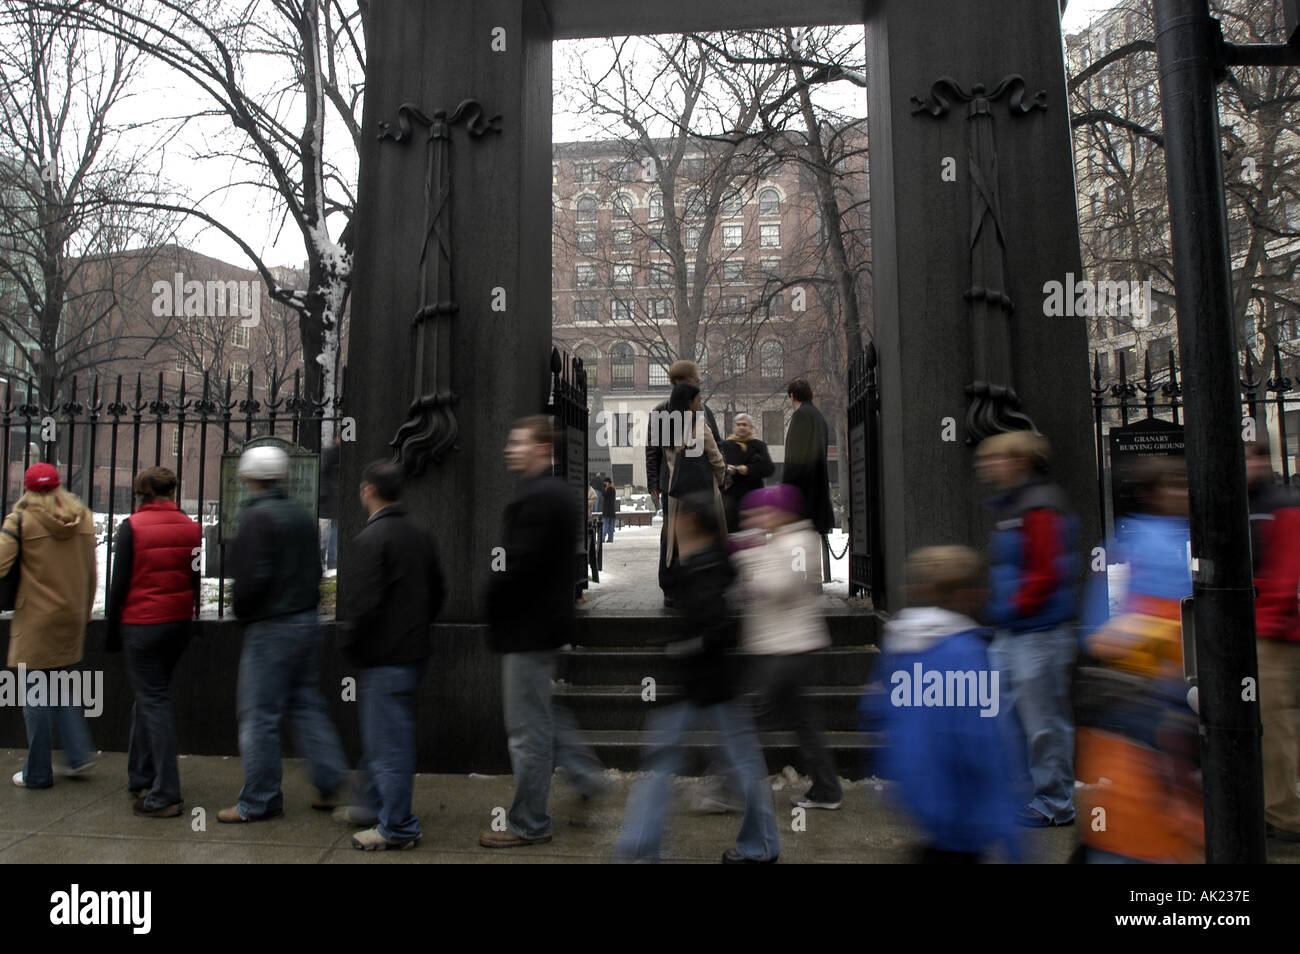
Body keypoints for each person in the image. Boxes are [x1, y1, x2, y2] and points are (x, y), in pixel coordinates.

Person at [615, 491, 782, 863]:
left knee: (661, 765)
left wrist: (682, 647)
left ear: (689, 522)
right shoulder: (718, 563)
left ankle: (638, 851)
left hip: (701, 685)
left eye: (677, 518)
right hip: (718, 685)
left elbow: (715, 628)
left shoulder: (703, 566)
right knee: (743, 764)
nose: (672, 524)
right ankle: (762, 845)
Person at [480, 416, 607, 848]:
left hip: (526, 628)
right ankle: (587, 775)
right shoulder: (555, 495)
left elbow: (520, 570)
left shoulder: (535, 500)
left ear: (539, 449)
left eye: (517, 443)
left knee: (526, 730)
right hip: (544, 625)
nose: (509, 449)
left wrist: (493, 601)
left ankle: (529, 822)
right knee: (543, 714)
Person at [1075, 457, 1201, 863]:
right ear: (1150, 494)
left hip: (1170, 693)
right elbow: (1101, 626)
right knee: (1140, 793)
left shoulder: (1186, 540)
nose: (1182, 494)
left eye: (1185, 485)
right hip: (1146, 693)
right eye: (1172, 486)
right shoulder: (1131, 544)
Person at [218, 445, 348, 823]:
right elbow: (315, 569)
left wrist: (243, 613)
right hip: (304, 621)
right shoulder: (300, 515)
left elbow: (249, 581)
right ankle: (328, 780)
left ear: (252, 478)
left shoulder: (257, 517)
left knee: (259, 715)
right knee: (305, 704)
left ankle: (260, 799)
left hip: (270, 626)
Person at [868, 546, 1021, 862]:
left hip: (921, 802)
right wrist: (1012, 835)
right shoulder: (968, 654)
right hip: (963, 812)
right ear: (971, 595)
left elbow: (878, 714)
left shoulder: (898, 645)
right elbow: (983, 743)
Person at [335, 460, 445, 850]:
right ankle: (368, 805)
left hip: (384, 656)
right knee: (384, 736)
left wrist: (351, 645)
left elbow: (361, 605)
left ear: (368, 490)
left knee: (389, 745)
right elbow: (438, 592)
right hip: (414, 652)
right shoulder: (420, 534)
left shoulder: (370, 539)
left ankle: (398, 826)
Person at [975, 430, 1079, 828]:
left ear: (1018, 462)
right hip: (1017, 631)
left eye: (994, 459)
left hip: (1038, 632)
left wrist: (1011, 607)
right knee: (1007, 717)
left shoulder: (1039, 506)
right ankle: (1023, 792)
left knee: (1042, 724)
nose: (987, 467)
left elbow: (1045, 572)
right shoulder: (1017, 504)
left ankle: (1054, 803)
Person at [733, 484, 842, 810]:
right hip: (785, 646)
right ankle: (826, 789)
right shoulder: (779, 542)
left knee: (753, 716)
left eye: (762, 512)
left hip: (789, 649)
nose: (756, 519)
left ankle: (728, 787)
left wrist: (748, 559)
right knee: (805, 723)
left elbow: (781, 587)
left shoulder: (799, 542)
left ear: (782, 512)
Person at [105, 467, 201, 817]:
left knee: (154, 700)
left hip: (142, 625)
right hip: (176, 625)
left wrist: (112, 630)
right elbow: (194, 576)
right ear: (172, 491)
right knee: (147, 699)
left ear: (142, 493)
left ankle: (166, 793)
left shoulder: (131, 527)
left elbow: (118, 585)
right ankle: (140, 774)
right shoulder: (192, 527)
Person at [1, 463, 97, 789]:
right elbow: (91, 571)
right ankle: (78, 751)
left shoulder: (21, 520)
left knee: (34, 694)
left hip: (37, 619)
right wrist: (84, 610)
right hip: (71, 614)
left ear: (27, 490)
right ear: (59, 487)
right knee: (60, 684)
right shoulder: (82, 517)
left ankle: (38, 772)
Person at [1245, 440, 1300, 843]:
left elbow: (1285, 575)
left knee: (1274, 721)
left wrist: (1266, 613)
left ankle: (1286, 815)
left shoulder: (1279, 505)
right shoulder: (1250, 503)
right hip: (1256, 627)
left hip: (1272, 631)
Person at [646, 360, 722, 606]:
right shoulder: (662, 412)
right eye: (695, 377)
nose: (699, 381)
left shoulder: (702, 409)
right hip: (675, 487)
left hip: (697, 485)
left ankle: (696, 584)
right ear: (682, 380)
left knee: (698, 535)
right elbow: (654, 452)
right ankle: (671, 586)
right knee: (672, 537)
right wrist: (654, 483)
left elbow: (716, 445)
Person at [660, 381, 728, 580]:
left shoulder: (668, 425)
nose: (700, 404)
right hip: (704, 491)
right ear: (689, 402)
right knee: (707, 540)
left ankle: (681, 585)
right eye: (698, 400)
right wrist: (721, 479)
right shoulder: (699, 423)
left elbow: (670, 460)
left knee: (682, 543)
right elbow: (716, 458)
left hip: (679, 493)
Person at [782, 379, 834, 582]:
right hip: (817, 484)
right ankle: (814, 578)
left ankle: (801, 578)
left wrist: (788, 488)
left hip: (802, 487)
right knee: (812, 533)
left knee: (799, 535)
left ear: (792, 396)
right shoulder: (819, 418)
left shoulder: (800, 416)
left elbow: (795, 456)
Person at [721, 413, 774, 533]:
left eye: (744, 425)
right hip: (731, 500)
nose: (741, 427)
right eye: (738, 425)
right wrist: (727, 469)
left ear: (751, 428)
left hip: (753, 499)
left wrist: (748, 470)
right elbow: (717, 467)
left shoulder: (759, 446)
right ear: (734, 427)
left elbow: (769, 468)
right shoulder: (725, 446)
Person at [319, 433, 341, 571]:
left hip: (335, 497)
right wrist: (324, 494)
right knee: (336, 528)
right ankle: (332, 560)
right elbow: (323, 472)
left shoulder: (336, 452)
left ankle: (329, 556)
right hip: (333, 498)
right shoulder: (331, 452)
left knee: (335, 528)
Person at [601, 478, 618, 543]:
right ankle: (610, 538)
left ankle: (603, 538)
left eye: (605, 483)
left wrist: (603, 488)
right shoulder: (613, 489)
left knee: (605, 525)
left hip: (607, 510)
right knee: (611, 525)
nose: (604, 484)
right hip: (611, 510)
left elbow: (604, 495)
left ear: (607, 482)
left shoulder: (609, 489)